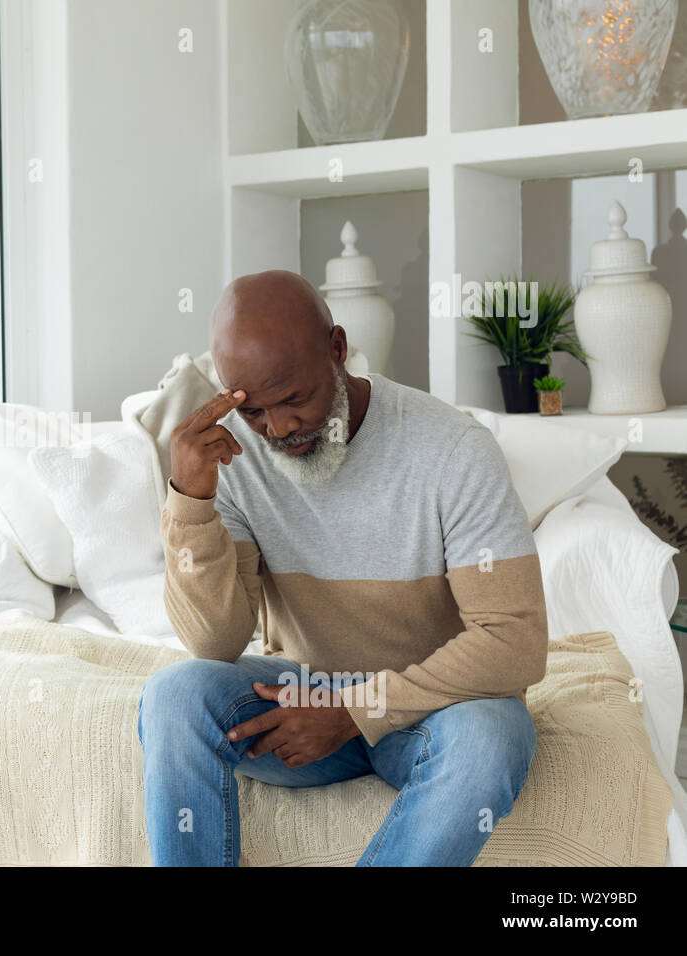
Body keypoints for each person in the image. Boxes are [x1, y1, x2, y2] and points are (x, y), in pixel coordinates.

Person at [137, 270, 547, 866]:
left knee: (492, 740)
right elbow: (214, 642)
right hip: (301, 702)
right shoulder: (235, 459)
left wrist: (356, 711)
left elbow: (516, 642)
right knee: (174, 694)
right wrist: (190, 501)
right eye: (254, 411)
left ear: (337, 348)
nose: (279, 429)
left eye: (294, 400)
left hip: (437, 712)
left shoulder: (453, 449)